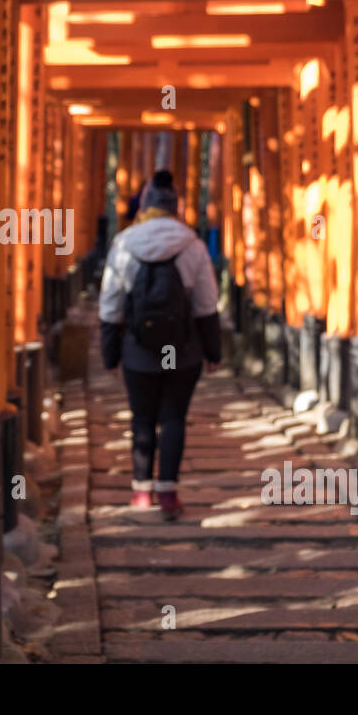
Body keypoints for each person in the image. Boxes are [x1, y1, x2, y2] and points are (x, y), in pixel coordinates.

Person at [98, 170, 222, 519]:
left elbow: (110, 305)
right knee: (173, 417)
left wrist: (110, 354)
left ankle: (140, 491)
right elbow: (206, 305)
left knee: (142, 417)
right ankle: (168, 492)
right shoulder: (192, 245)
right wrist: (214, 352)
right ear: (175, 207)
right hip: (181, 351)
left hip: (139, 349)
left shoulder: (124, 243)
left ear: (146, 204)